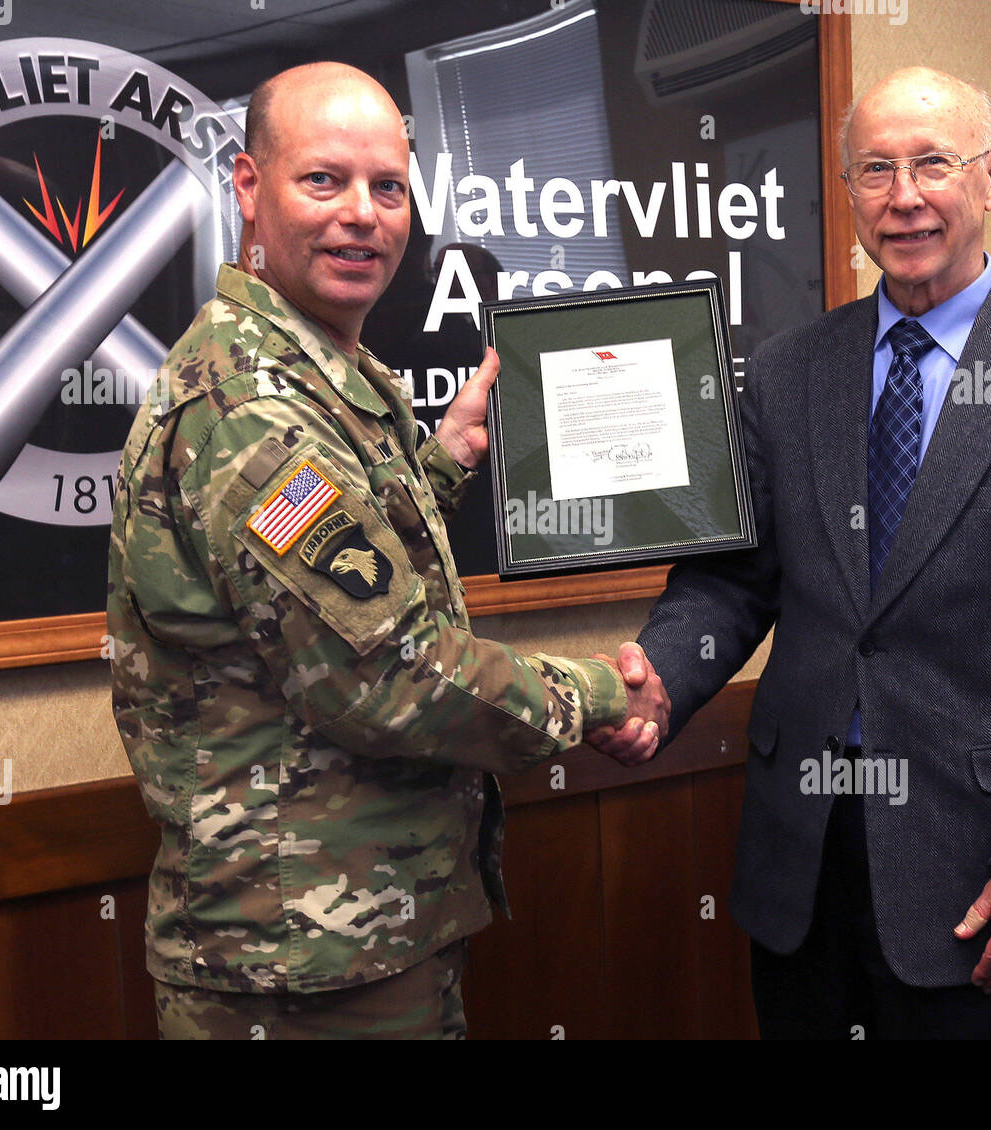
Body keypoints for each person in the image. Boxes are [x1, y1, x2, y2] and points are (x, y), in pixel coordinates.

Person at [590, 66, 991, 1039]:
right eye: (874, 170)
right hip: (801, 860)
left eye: (931, 164)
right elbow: (734, 579)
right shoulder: (785, 371)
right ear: (845, 191)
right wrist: (660, 682)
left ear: (990, 177)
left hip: (984, 867)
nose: (903, 197)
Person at [106, 62, 668, 1040]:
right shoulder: (247, 405)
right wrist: (604, 691)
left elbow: (321, 559)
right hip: (298, 969)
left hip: (355, 934)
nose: (361, 215)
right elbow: (390, 674)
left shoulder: (316, 367)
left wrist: (434, 462)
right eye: (322, 180)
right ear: (249, 187)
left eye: (388, 187)